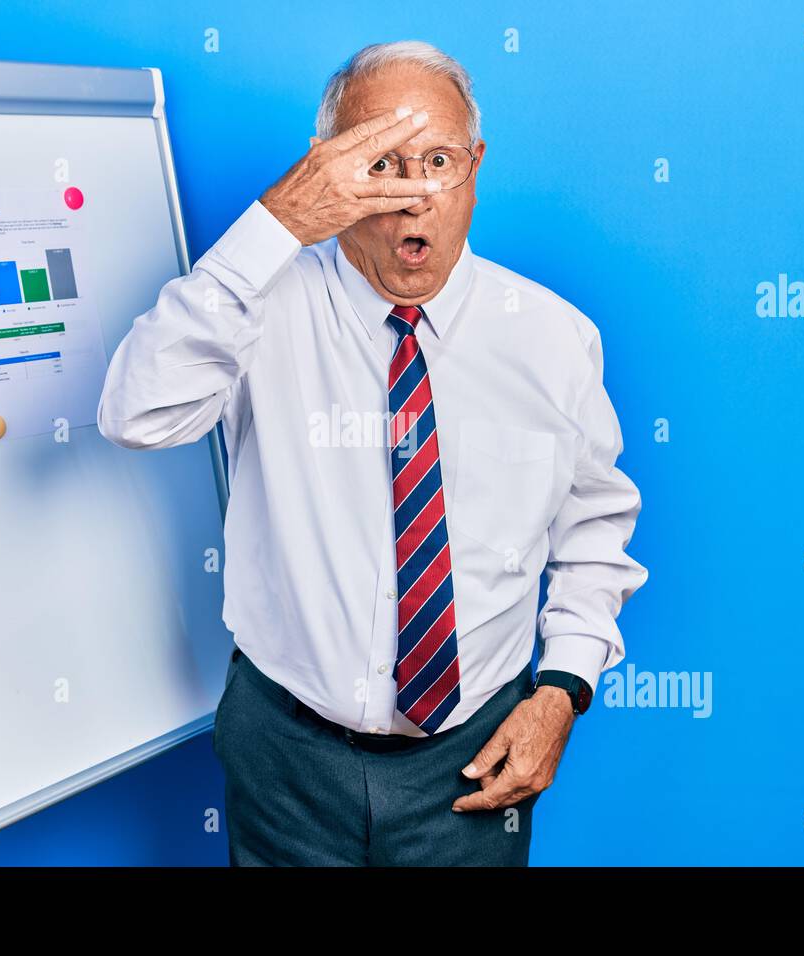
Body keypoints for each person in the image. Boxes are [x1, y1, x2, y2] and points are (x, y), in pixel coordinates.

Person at [98, 40, 647, 866]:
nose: (414, 198)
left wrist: (563, 690)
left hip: (471, 761)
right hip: (285, 754)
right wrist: (277, 223)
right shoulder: (261, 307)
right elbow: (134, 412)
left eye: (438, 161)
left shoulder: (553, 339)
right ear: (329, 173)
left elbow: (595, 530)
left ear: (477, 166)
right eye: (381, 166)